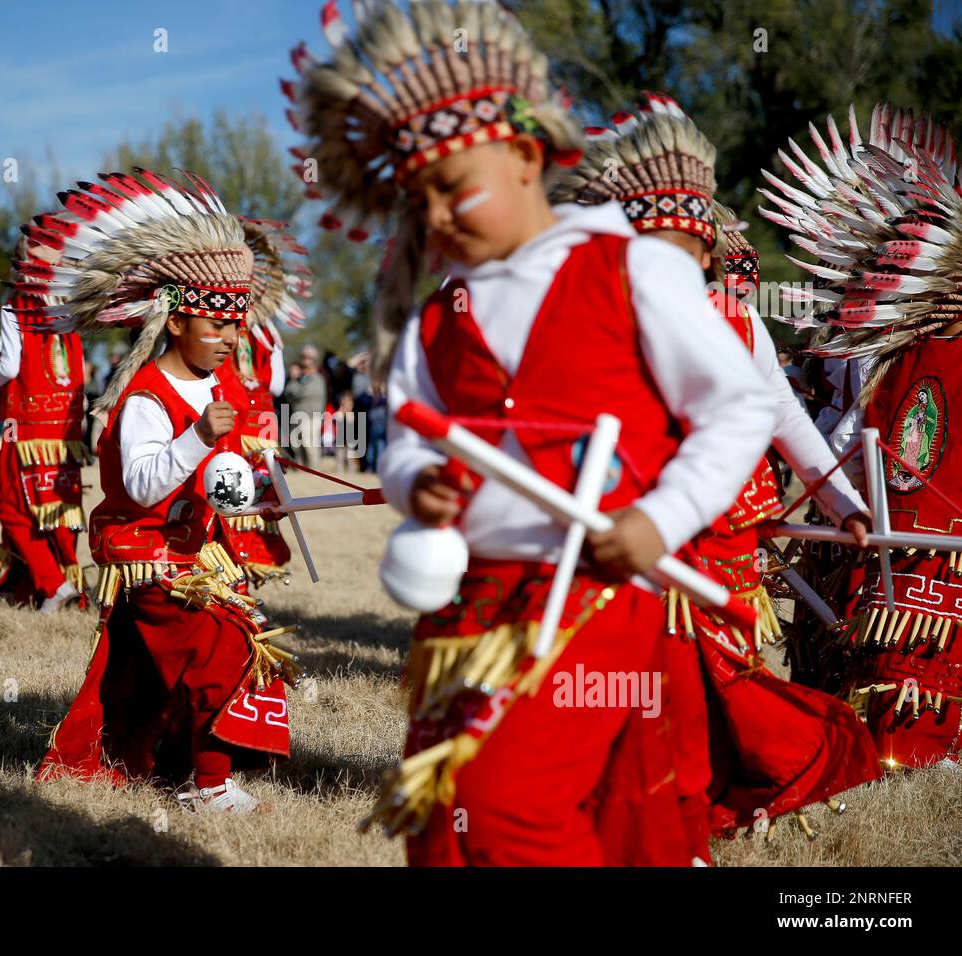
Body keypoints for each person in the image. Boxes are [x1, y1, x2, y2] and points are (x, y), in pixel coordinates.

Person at [283, 0, 777, 866]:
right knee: (440, 821)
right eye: (419, 199)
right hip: (469, 601)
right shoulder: (436, 317)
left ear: (522, 154)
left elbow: (740, 406)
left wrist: (662, 518)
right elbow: (404, 436)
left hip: (593, 593)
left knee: (504, 805)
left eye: (451, 186)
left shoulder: (633, 266)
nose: (435, 216)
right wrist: (412, 483)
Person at [552, 97, 881, 859]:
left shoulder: (740, 322)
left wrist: (842, 500)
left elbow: (783, 417)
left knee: (719, 689)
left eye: (682, 249)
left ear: (705, 254)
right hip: (634, 550)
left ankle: (694, 815)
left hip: (724, 544)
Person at [17, 168, 299, 812]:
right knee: (226, 650)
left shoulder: (217, 388)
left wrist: (259, 496)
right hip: (148, 555)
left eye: (237, 326)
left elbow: (217, 486)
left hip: (200, 554)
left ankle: (142, 762)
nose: (231, 340)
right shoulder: (146, 396)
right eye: (217, 325)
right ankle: (208, 785)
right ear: (174, 322)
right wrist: (199, 435)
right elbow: (144, 487)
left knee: (151, 682)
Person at [761, 103, 962, 770]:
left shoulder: (909, 352)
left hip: (895, 541)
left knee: (884, 683)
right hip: (882, 540)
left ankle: (868, 752)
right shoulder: (888, 348)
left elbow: (869, 447)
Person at [0, 242, 91, 613]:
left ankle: (52, 584)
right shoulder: (72, 307)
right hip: (66, 428)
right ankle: (64, 585)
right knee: (59, 510)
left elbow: (9, 368)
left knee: (12, 505)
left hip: (26, 425)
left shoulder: (15, 308)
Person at [222, 218, 311, 585]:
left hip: (248, 425)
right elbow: (274, 384)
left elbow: (273, 383)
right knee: (244, 493)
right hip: (250, 424)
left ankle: (240, 567)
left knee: (245, 492)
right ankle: (237, 565)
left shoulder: (240, 324)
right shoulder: (263, 328)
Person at [282, 345, 327, 465]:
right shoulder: (299, 378)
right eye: (303, 357)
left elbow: (304, 393)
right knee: (297, 446)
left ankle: (314, 472)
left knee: (310, 445)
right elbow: (287, 392)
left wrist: (295, 389)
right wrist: (294, 383)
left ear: (314, 360)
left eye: (308, 357)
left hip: (312, 417)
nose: (305, 360)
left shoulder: (318, 378)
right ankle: (302, 473)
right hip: (297, 415)